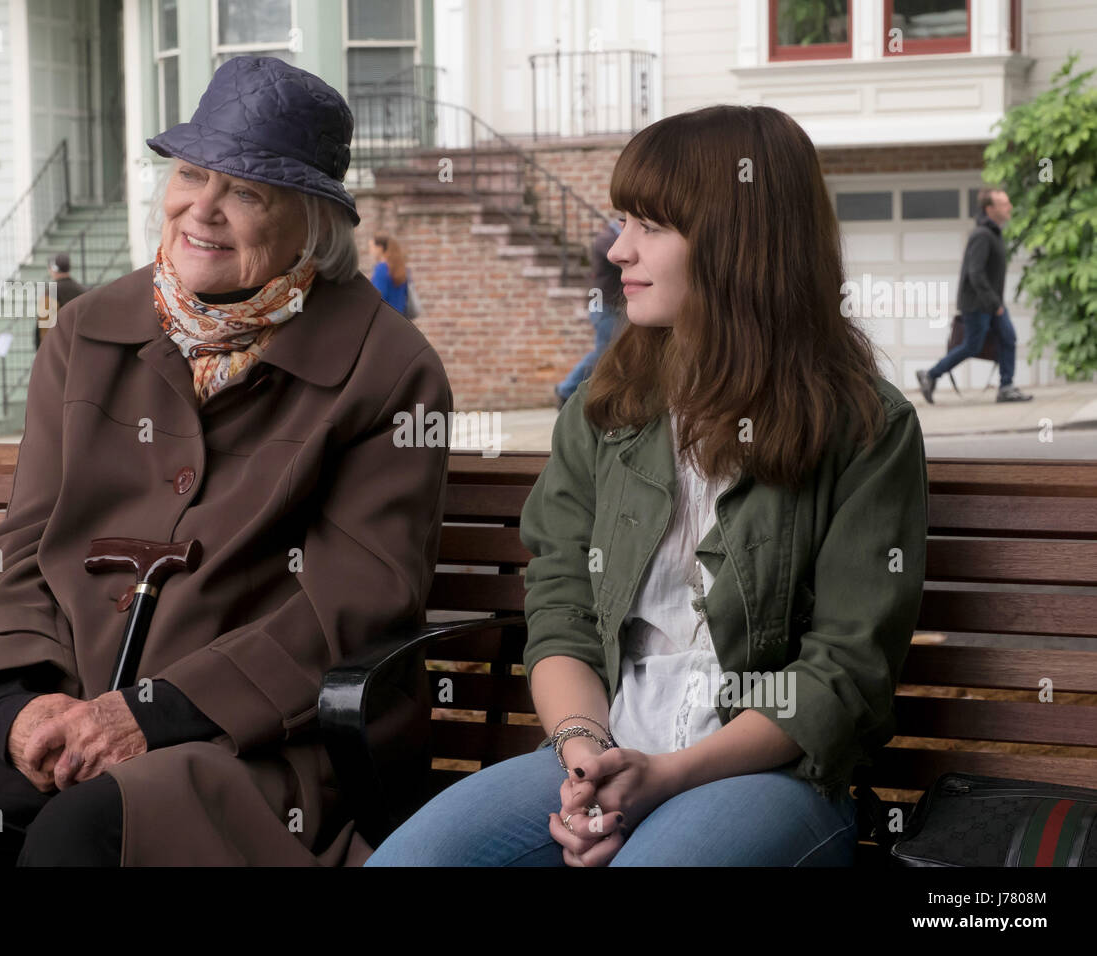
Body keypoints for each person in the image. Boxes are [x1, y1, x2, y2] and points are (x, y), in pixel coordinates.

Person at [0, 55, 452, 867]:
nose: (204, 209)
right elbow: (21, 547)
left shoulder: (388, 369)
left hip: (253, 746)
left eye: (247, 191)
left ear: (314, 222)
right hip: (68, 721)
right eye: (193, 173)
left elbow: (351, 610)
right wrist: (15, 703)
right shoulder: (88, 332)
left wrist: (152, 714)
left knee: (81, 841)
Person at [366, 104, 929, 867]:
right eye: (622, 220)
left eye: (650, 226)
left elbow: (843, 673)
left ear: (740, 244)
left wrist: (665, 777)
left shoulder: (865, 427)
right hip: (606, 749)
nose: (619, 247)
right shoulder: (608, 406)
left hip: (771, 773)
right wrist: (586, 759)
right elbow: (560, 604)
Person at [916, 188, 1032, 403]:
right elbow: (975, 272)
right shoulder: (982, 235)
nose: (1010, 208)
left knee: (1008, 338)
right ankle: (930, 374)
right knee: (972, 346)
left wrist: (995, 303)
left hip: (991, 302)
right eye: (1004, 204)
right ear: (990, 208)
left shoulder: (993, 233)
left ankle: (1006, 387)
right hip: (978, 303)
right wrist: (993, 303)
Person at [555, 219, 625, 410]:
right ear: (620, 222)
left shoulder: (615, 237)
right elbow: (619, 260)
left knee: (613, 350)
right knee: (603, 351)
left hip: (611, 304)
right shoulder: (606, 239)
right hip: (601, 304)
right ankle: (566, 389)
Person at [36, 252, 87, 351]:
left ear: (53, 269)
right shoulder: (82, 290)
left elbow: (46, 325)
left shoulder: (51, 292)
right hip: (80, 346)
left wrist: (45, 350)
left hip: (59, 349)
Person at [369, 235, 410, 315]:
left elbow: (379, 298)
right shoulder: (401, 268)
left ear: (380, 248)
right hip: (401, 319)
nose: (370, 251)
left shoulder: (381, 268)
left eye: (371, 247)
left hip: (386, 319)